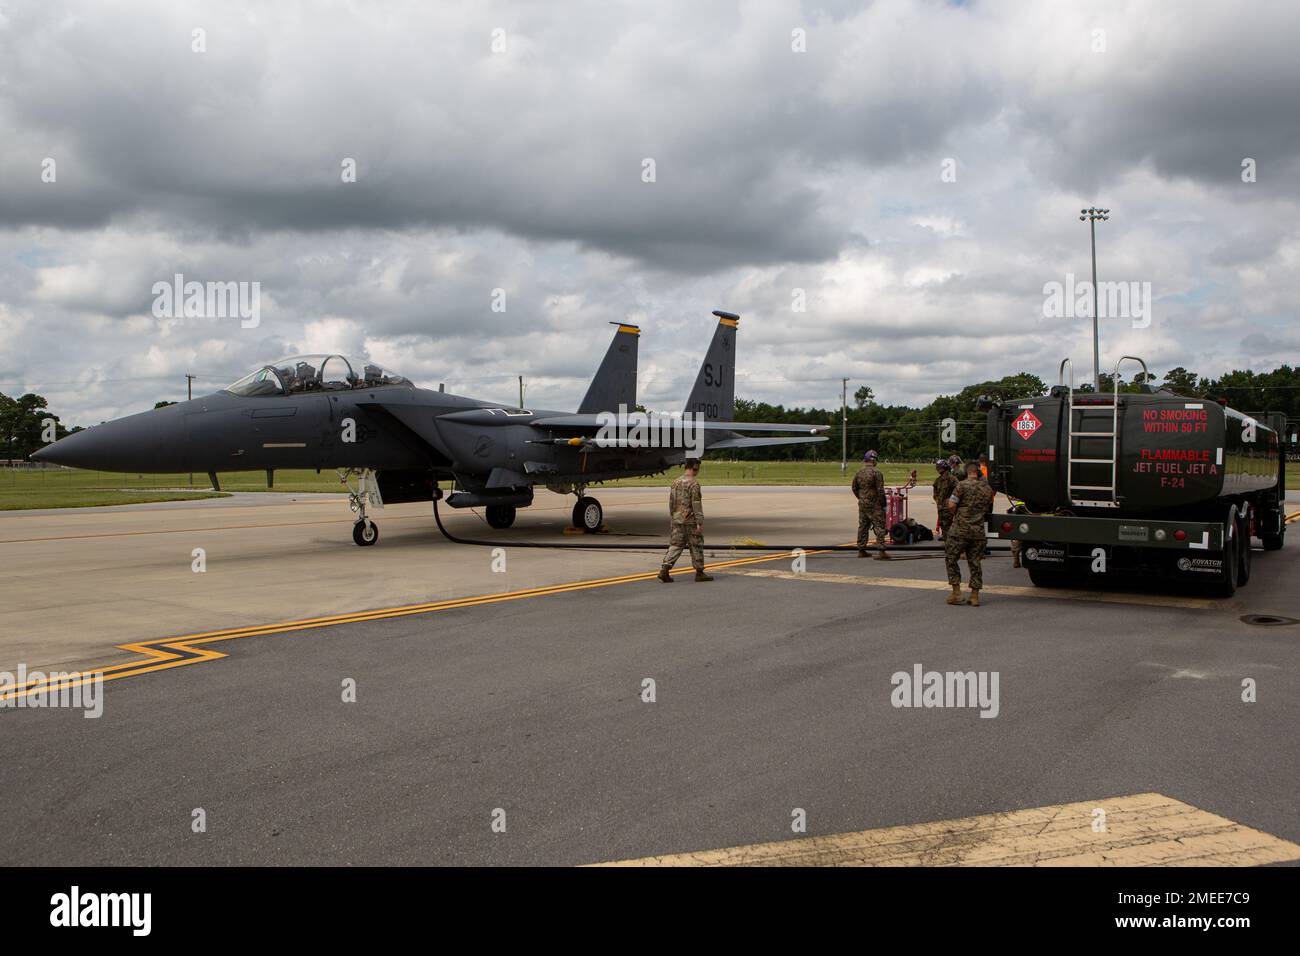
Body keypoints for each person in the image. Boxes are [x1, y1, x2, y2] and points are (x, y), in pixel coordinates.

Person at [945, 462, 994, 606]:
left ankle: (957, 592)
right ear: (977, 472)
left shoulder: (962, 485)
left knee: (951, 558)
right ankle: (974, 596)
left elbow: (952, 505)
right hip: (978, 531)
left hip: (960, 530)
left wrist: (957, 514)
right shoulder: (987, 488)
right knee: (975, 562)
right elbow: (988, 505)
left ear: (967, 472)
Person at [658, 459, 713, 582]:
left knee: (675, 545)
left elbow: (671, 502)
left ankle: (664, 569)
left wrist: (673, 517)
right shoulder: (693, 484)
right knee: (696, 545)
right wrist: (699, 522)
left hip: (677, 519)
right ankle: (699, 572)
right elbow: (696, 504)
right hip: (690, 521)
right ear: (695, 467)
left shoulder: (675, 482)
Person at [852, 450, 889, 560]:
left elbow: (854, 488)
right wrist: (883, 504)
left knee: (863, 526)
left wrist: (861, 498)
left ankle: (861, 550)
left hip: (863, 504)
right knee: (879, 526)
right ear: (874, 460)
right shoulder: (876, 473)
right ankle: (882, 551)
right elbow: (880, 490)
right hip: (875, 505)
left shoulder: (859, 472)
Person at [932, 459, 957, 541]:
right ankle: (946, 540)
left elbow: (958, 491)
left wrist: (951, 501)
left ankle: (950, 543)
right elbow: (935, 493)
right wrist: (937, 501)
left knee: (949, 526)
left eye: (939, 467)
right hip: (941, 508)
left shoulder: (952, 479)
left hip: (949, 507)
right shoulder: (938, 480)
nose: (938, 469)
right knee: (943, 525)